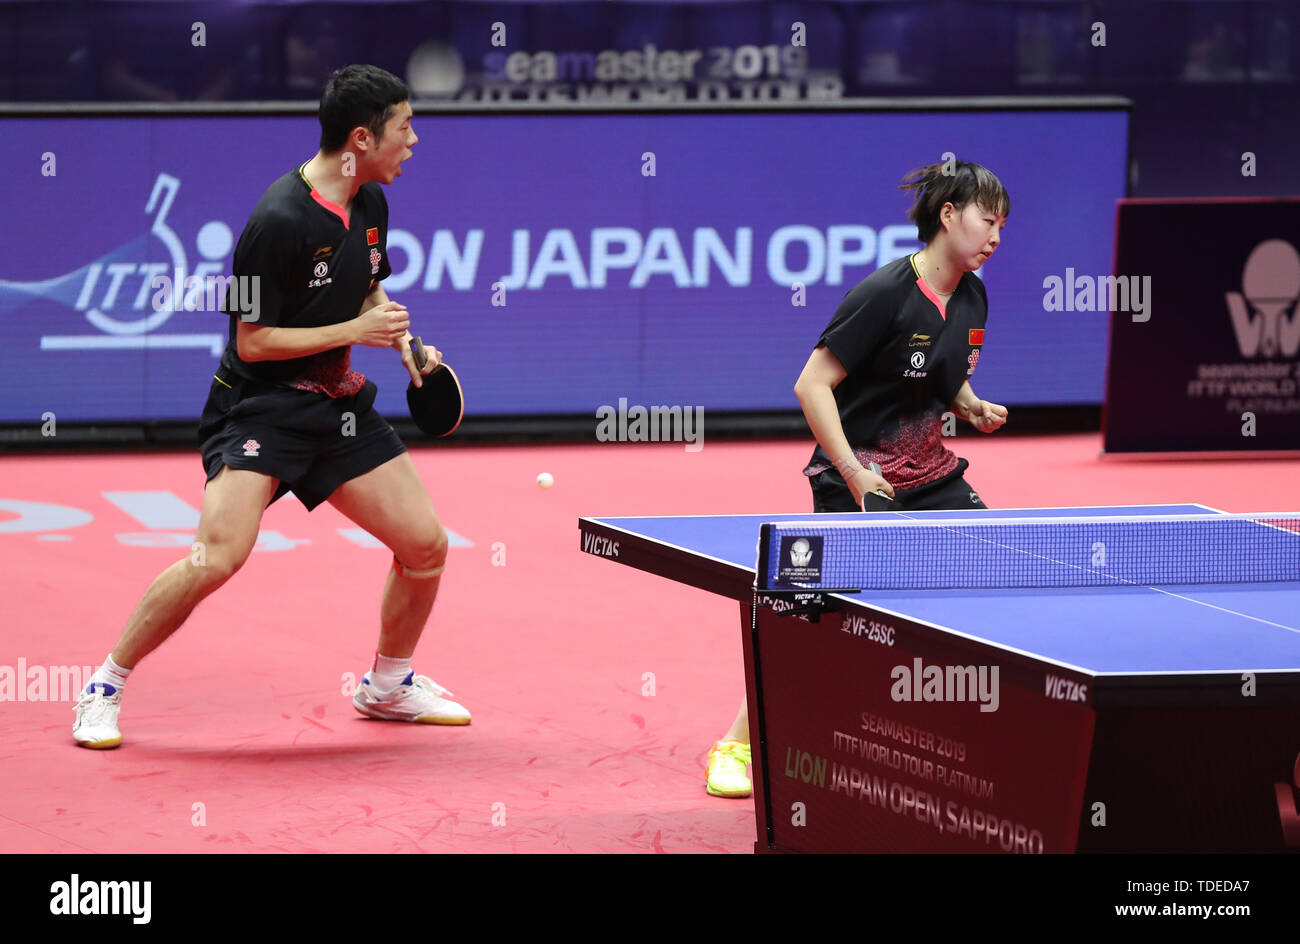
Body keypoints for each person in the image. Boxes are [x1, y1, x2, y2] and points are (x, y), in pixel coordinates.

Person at [72, 64, 471, 749]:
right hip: (258, 409)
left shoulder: (371, 201)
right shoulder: (277, 220)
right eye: (403, 128)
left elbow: (371, 290)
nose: (414, 141)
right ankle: (105, 683)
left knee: (426, 544)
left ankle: (387, 684)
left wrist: (405, 346)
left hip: (337, 406)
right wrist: (353, 331)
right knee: (217, 557)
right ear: (360, 139)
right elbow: (253, 343)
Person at [705, 159, 1010, 797]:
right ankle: (735, 744)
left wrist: (971, 404)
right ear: (949, 215)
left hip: (931, 472)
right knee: (810, 609)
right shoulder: (885, 293)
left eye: (1004, 225)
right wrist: (853, 473)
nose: (996, 237)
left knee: (993, 575)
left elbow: (941, 375)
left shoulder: (975, 295)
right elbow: (811, 384)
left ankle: (956, 734)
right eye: (988, 220)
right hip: (858, 476)